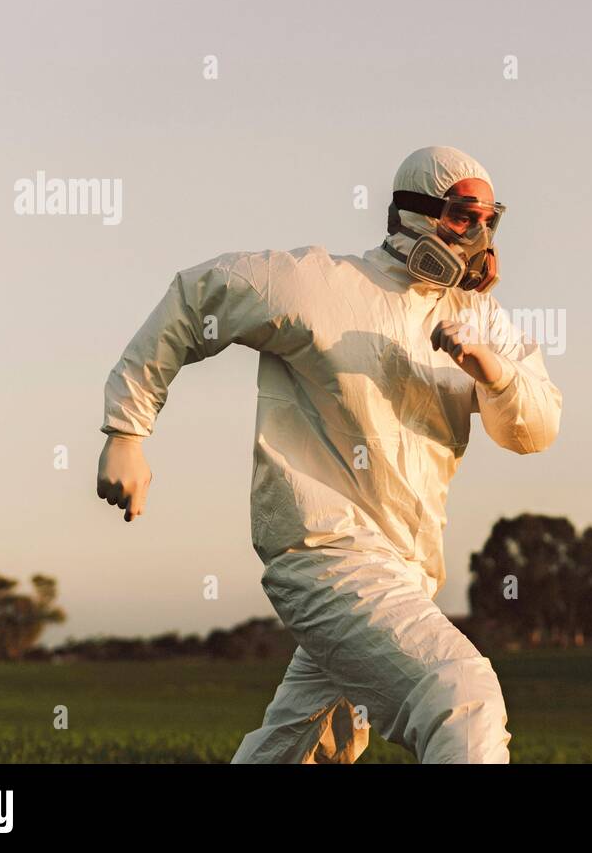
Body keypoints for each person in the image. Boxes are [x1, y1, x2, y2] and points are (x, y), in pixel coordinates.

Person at [96, 146, 563, 763]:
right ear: (413, 214)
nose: (478, 235)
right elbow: (196, 296)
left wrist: (490, 370)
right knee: (460, 694)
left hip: (407, 568)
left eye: (488, 219)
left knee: (302, 747)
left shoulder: (479, 320)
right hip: (325, 551)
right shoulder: (321, 286)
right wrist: (126, 430)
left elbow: (535, 427)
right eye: (461, 215)